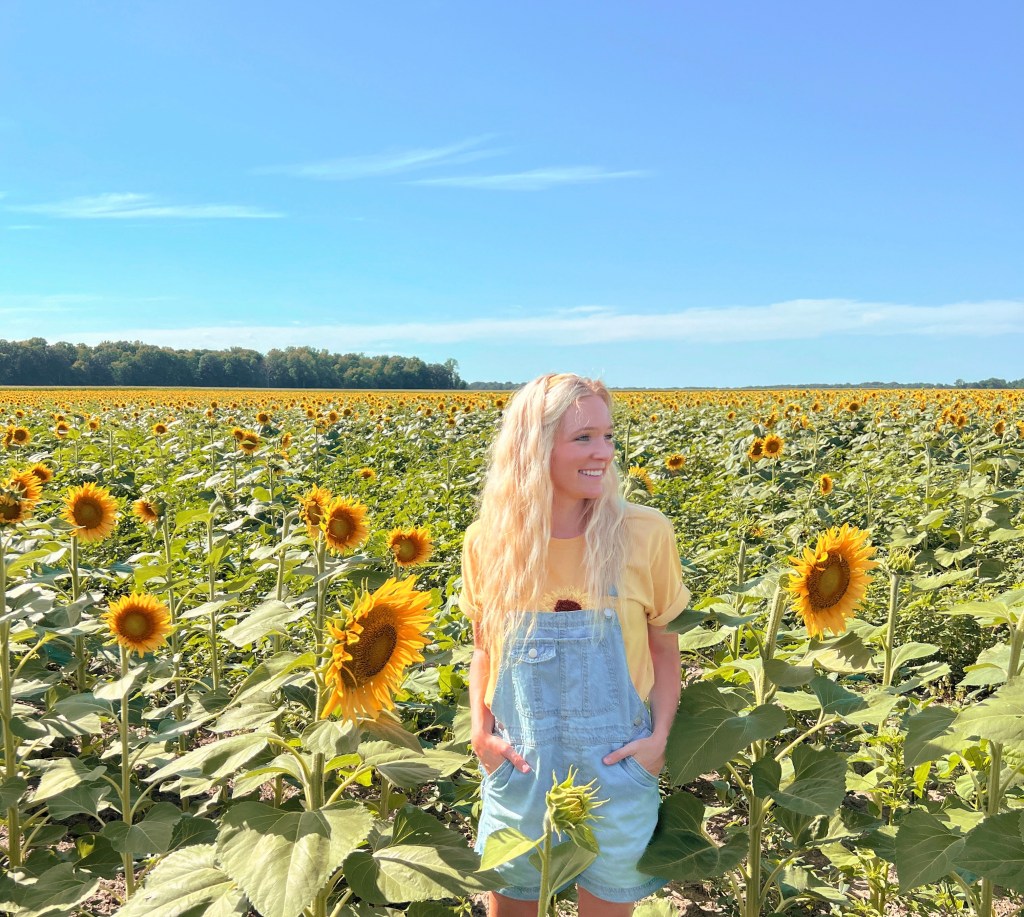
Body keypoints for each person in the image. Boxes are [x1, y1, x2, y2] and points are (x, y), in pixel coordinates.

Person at [461, 373, 690, 917]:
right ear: (534, 446)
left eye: (609, 437)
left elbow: (664, 647)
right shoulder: (490, 543)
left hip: (615, 767)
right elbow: (482, 649)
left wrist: (658, 739)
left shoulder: (644, 533)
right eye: (584, 437)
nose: (603, 453)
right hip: (520, 765)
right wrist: (480, 735)